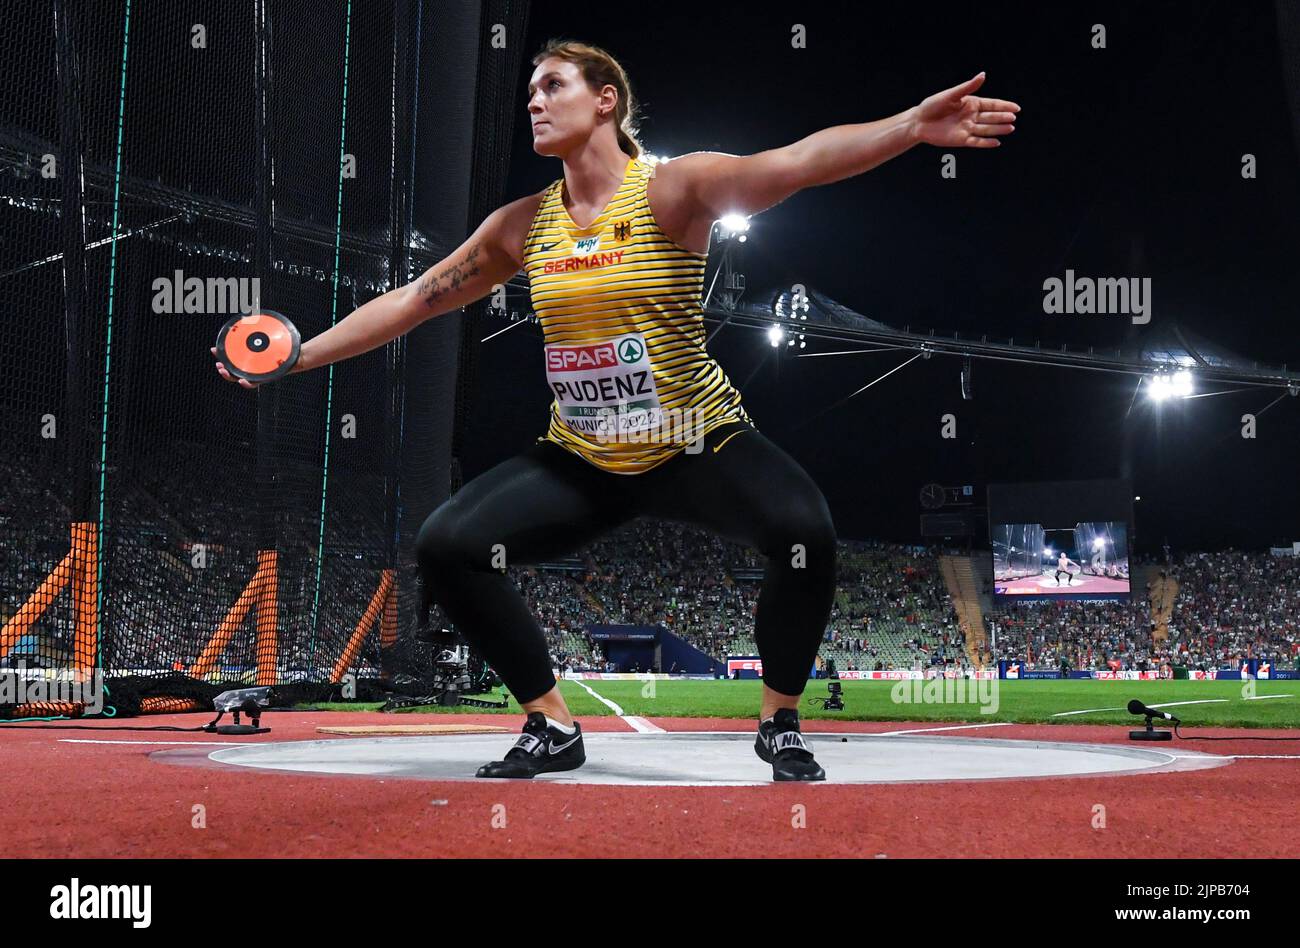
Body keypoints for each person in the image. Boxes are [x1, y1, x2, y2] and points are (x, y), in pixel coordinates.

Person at [213, 39, 1018, 781]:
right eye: (529, 89)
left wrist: (911, 125)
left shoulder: (675, 189)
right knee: (448, 545)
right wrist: (300, 353)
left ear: (606, 101)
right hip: (582, 459)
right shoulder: (521, 227)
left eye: (552, 86)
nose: (533, 100)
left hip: (693, 442)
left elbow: (798, 161)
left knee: (804, 534)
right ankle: (551, 726)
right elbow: (415, 301)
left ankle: (779, 721)